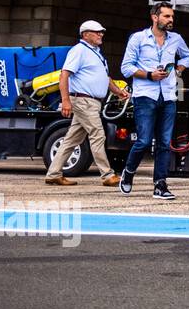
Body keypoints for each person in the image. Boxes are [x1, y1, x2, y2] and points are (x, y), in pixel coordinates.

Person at [119, 2, 189, 200]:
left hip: (168, 96)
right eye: (167, 16)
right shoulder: (139, 38)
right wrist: (150, 75)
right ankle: (129, 172)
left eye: (172, 17)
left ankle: (160, 184)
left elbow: (187, 56)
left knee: (164, 143)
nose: (171, 20)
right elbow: (126, 68)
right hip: (145, 95)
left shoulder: (176, 39)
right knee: (143, 141)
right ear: (155, 17)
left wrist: (178, 70)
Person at [44, 20, 130, 187]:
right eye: (97, 32)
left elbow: (105, 78)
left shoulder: (96, 52)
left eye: (101, 32)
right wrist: (65, 100)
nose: (101, 34)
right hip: (83, 101)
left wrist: (117, 91)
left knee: (71, 139)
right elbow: (64, 75)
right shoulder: (79, 51)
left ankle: (53, 173)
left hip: (91, 102)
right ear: (85, 35)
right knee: (98, 135)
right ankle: (107, 175)